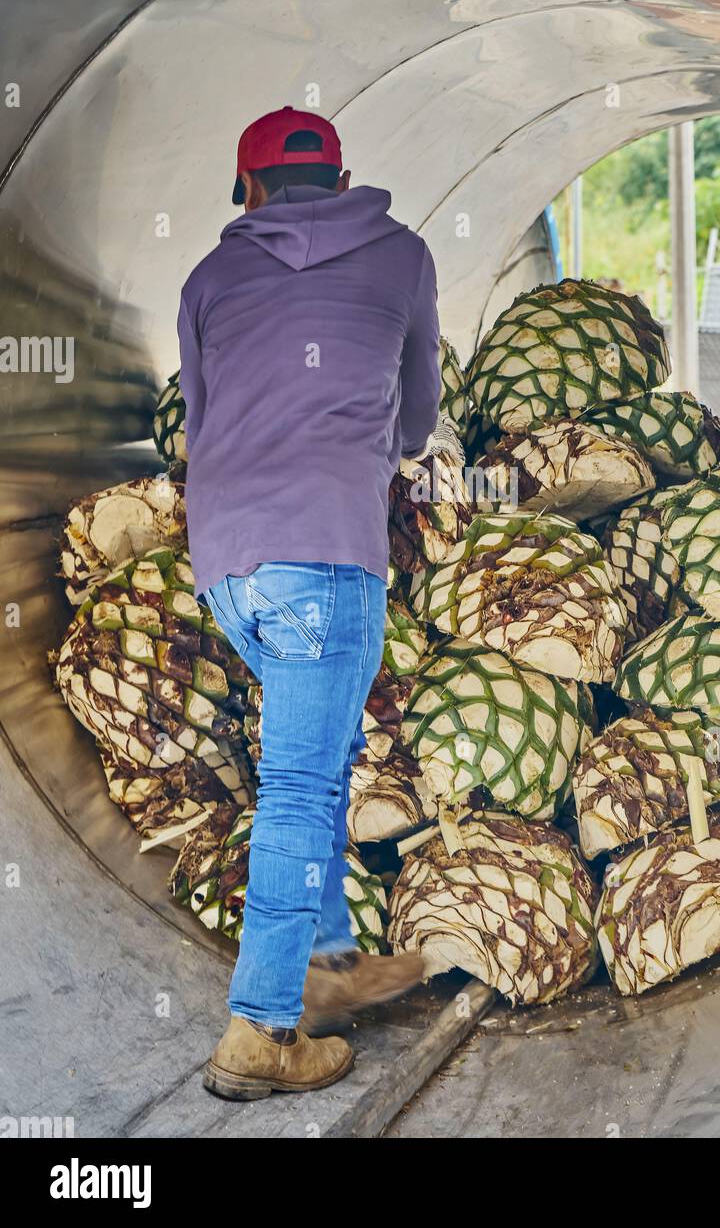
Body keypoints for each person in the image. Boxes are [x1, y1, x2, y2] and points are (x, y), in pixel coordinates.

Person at [177, 106, 441, 1100]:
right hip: (326, 561)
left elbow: (203, 426)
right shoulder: (402, 255)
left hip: (228, 569)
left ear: (246, 190)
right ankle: (260, 1029)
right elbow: (416, 417)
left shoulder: (206, 278)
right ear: (340, 181)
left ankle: (328, 967)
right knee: (297, 784)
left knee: (313, 765)